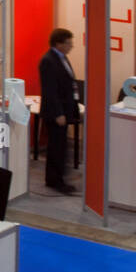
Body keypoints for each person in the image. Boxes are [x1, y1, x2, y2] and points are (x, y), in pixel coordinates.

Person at [38, 28, 81, 193]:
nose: (71, 46)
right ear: (59, 43)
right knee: (56, 147)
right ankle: (55, 181)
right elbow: (50, 90)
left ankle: (58, 178)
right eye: (69, 43)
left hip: (65, 110)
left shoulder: (62, 59)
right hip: (56, 114)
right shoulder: (48, 61)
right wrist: (58, 113)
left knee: (61, 146)